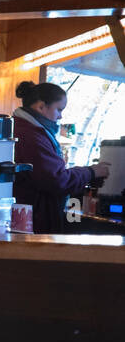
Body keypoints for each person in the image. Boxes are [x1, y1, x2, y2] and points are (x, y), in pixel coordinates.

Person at [12, 80, 110, 233]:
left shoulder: (27, 129)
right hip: (34, 221)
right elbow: (56, 180)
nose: (60, 116)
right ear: (41, 106)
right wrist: (91, 172)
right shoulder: (31, 136)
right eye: (59, 109)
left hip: (29, 217)